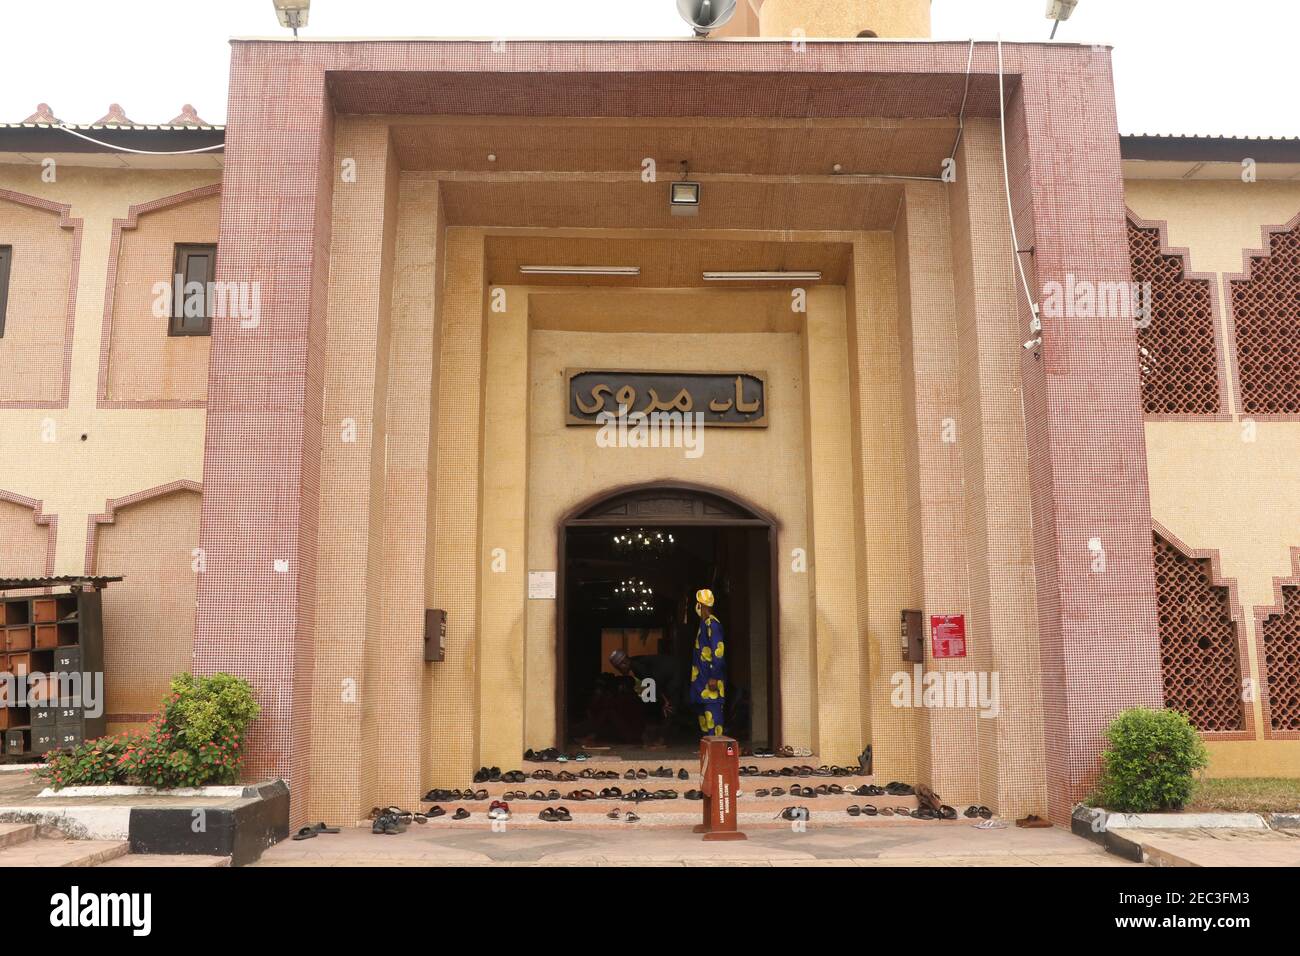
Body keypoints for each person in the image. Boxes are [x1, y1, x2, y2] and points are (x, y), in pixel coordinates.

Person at [609, 648, 683, 749]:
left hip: (672, 673)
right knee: (658, 702)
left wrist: (664, 701)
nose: (620, 671)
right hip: (665, 675)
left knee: (669, 707)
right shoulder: (634, 662)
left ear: (624, 663)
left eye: (619, 668)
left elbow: (652, 682)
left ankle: (662, 739)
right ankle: (659, 736)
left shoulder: (637, 666)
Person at [690, 588, 726, 737]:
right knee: (703, 717)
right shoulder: (704, 624)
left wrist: (714, 676)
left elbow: (718, 652)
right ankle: (707, 750)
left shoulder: (713, 624)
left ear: (701, 605)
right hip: (701, 680)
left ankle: (716, 749)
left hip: (710, 680)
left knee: (713, 717)